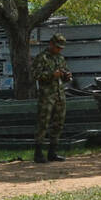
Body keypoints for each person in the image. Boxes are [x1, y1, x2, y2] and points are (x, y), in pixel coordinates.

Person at [30, 33, 70, 163]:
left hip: (59, 94)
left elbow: (65, 73)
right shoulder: (42, 58)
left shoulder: (60, 58)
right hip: (46, 95)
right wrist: (52, 75)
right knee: (43, 123)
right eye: (57, 47)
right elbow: (35, 74)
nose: (59, 50)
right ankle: (38, 153)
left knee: (58, 123)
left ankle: (52, 152)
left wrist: (66, 75)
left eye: (61, 48)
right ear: (51, 44)